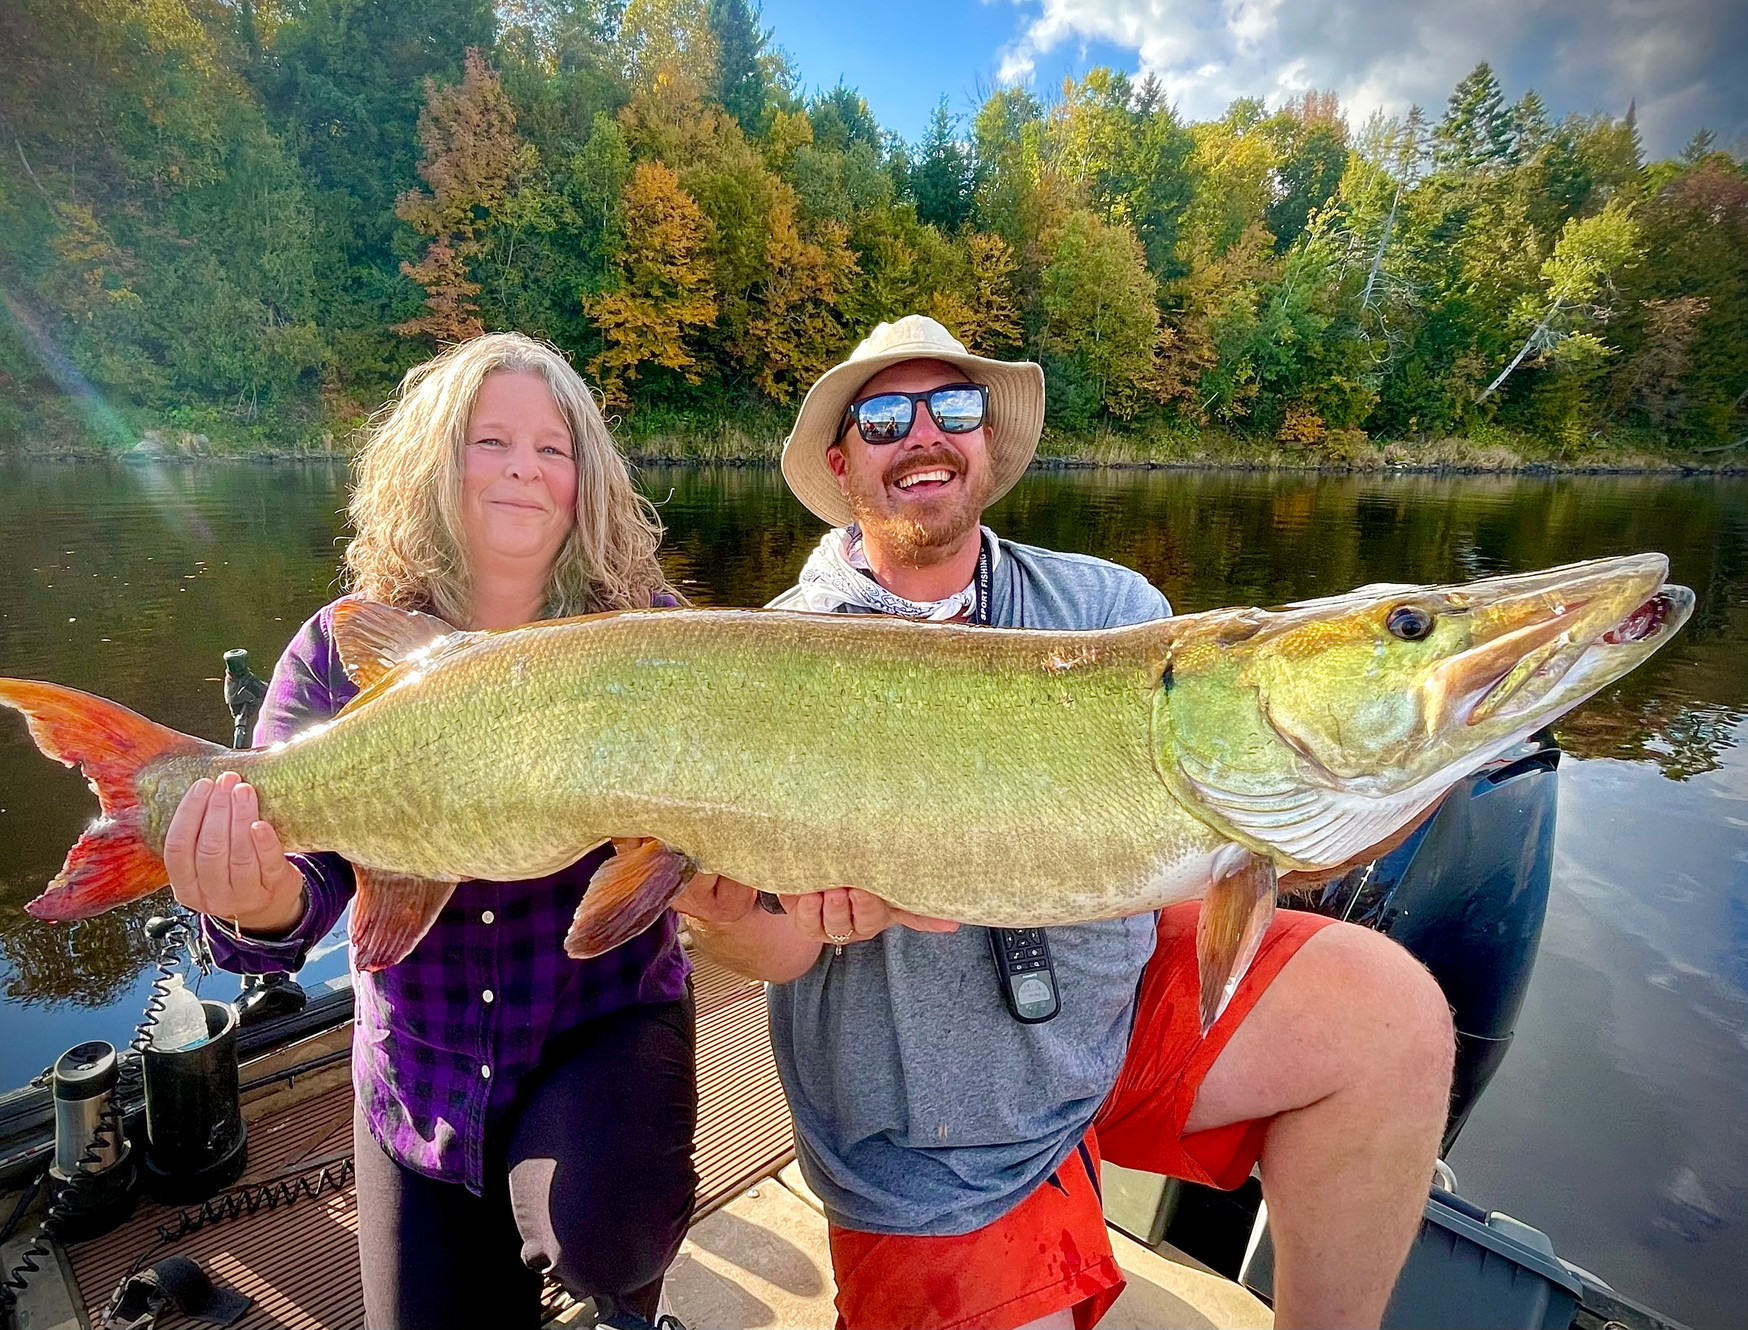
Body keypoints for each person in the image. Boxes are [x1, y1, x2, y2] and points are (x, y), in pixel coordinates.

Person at [677, 315, 1457, 1329]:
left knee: (1390, 1017)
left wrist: (1413, 756)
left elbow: (1259, 839)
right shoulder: (773, 658)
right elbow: (775, 949)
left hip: (1101, 1033)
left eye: (951, 406)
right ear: (841, 461)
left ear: (984, 441)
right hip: (930, 1141)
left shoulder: (1111, 608)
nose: (922, 433)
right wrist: (722, 918)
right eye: (881, 415)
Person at [164, 334, 695, 1330]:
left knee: (604, 1237)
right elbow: (294, 900)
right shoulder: (335, 643)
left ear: (587, 479)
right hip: (422, 1058)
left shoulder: (654, 636)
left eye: (553, 447)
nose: (521, 467)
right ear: (432, 466)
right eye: (487, 440)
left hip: (604, 1022)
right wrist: (255, 892)